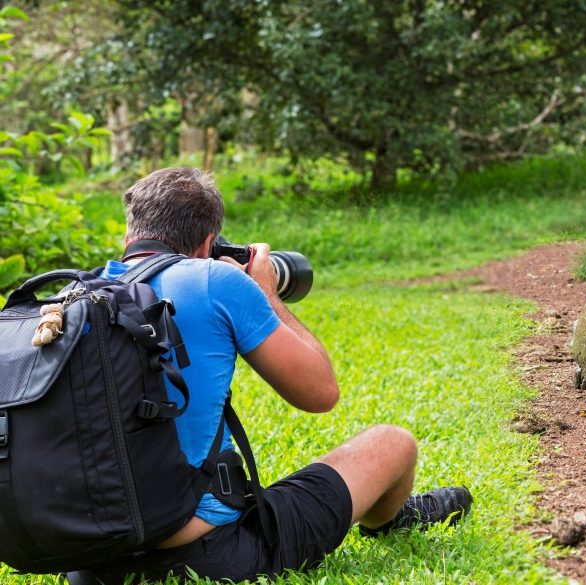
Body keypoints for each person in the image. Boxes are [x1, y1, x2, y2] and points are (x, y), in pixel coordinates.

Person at [67, 167, 472, 584]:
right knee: (393, 443)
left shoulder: (74, 297)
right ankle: (388, 519)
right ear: (209, 242)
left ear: (129, 237)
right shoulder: (214, 280)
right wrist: (266, 293)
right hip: (204, 554)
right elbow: (320, 392)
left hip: (89, 560)